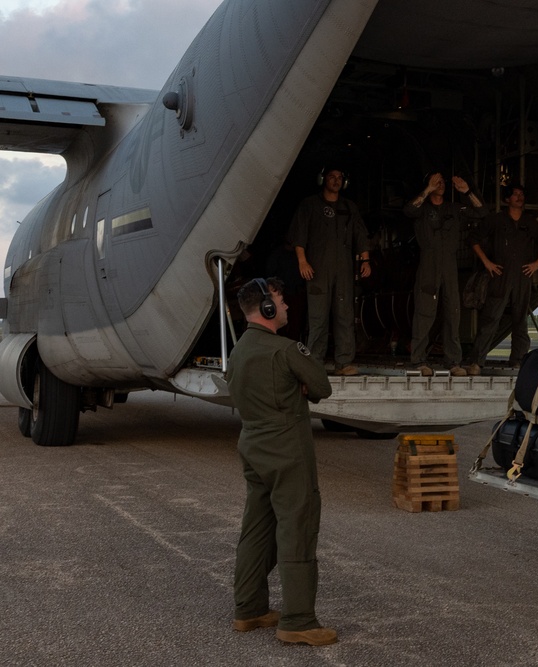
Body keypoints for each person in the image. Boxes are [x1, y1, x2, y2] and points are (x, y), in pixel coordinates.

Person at [227, 277, 337, 647]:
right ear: (268, 309)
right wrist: (301, 385)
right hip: (288, 451)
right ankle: (298, 620)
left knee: (256, 529)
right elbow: (322, 386)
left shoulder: (238, 351)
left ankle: (249, 609)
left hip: (253, 446)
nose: (287, 305)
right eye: (281, 299)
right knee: (297, 528)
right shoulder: (287, 350)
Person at [288, 166, 371, 375]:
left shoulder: (349, 207)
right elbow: (299, 236)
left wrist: (366, 260)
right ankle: (314, 363)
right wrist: (302, 262)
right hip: (317, 270)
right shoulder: (309, 205)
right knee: (318, 317)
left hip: (343, 270)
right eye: (332, 177)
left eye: (339, 177)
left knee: (345, 315)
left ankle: (344, 362)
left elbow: (360, 235)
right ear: (323, 179)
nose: (335, 180)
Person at [404, 172, 486, 376]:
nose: (440, 185)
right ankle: (419, 360)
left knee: (453, 312)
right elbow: (408, 210)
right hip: (428, 264)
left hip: (449, 264)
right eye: (435, 181)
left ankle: (453, 361)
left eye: (442, 182)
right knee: (424, 312)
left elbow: (482, 212)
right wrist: (427, 190)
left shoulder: (454, 208)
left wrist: (466, 191)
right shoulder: (422, 208)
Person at [464, 184, 538, 375]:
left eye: (521, 194)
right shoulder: (496, 220)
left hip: (522, 277)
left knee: (521, 320)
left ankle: (517, 361)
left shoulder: (530, 222)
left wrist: (536, 264)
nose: (519, 197)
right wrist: (487, 262)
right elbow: (473, 239)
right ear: (506, 200)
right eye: (515, 194)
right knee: (491, 318)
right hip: (500, 275)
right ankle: (477, 362)